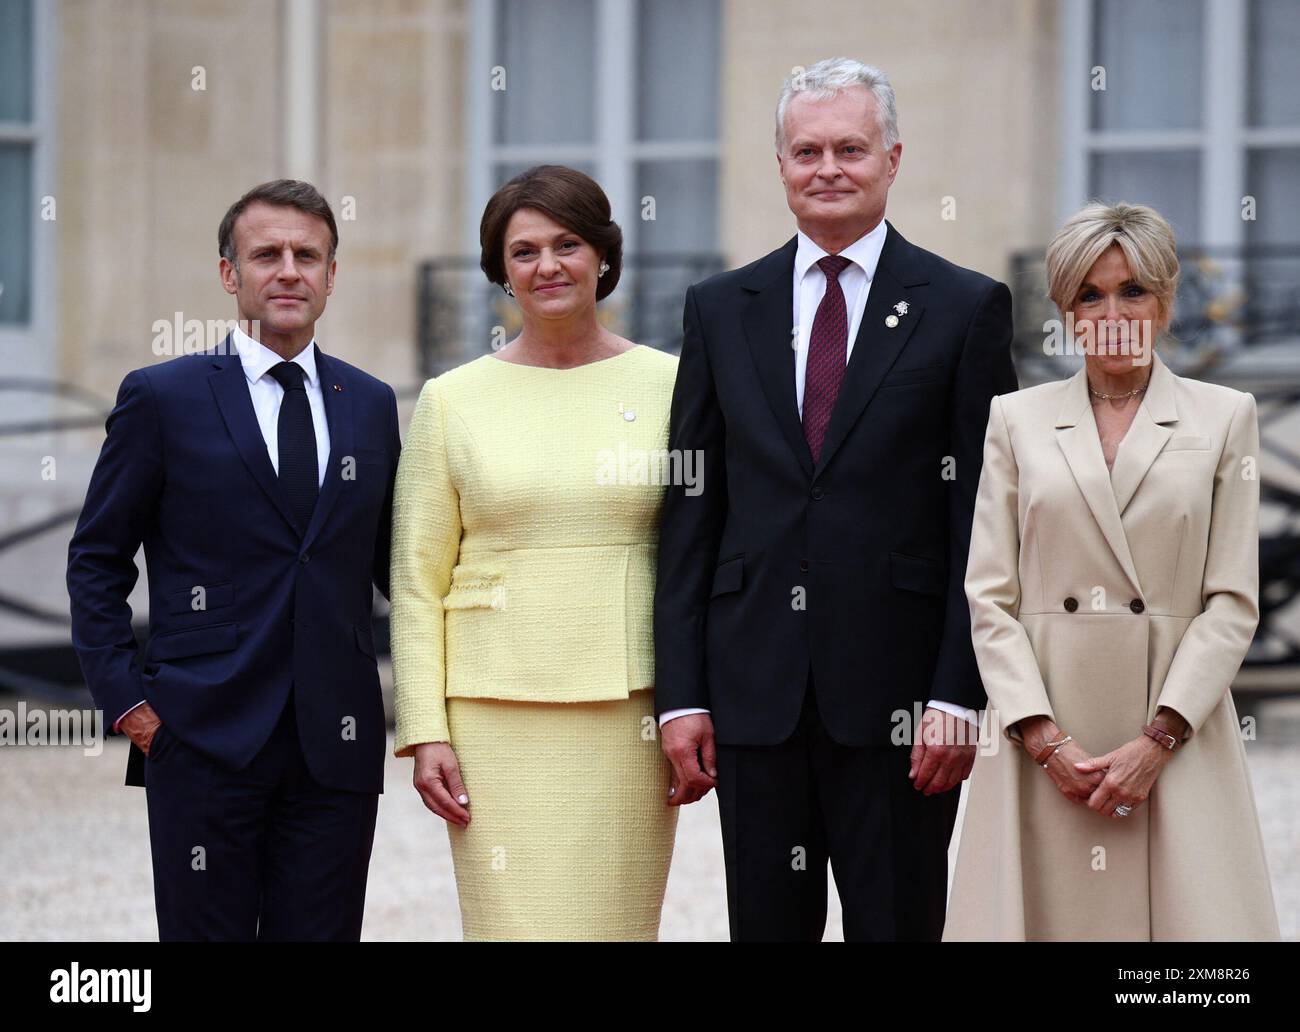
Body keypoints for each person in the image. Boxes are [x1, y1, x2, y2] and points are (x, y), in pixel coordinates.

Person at [653, 57, 1017, 941]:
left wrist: (958, 695)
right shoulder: (718, 308)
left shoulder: (965, 308)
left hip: (901, 703)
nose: (828, 168)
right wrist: (681, 695)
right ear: (778, 164)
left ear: (892, 158)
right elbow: (690, 510)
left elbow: (986, 516)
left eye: (849, 148)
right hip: (754, 697)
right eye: (806, 150)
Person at [66, 180, 400, 941]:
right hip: (200, 738)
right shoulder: (162, 397)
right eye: (267, 254)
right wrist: (128, 705)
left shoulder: (369, 402)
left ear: (330, 275)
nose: (289, 270)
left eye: (307, 255)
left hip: (336, 745)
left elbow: (395, 565)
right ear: (230, 275)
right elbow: (97, 561)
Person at [945, 201, 1280, 941]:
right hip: (1046, 730)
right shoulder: (1016, 419)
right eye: (1088, 295)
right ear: (1064, 310)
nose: (1113, 311)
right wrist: (1044, 740)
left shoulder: (1226, 416)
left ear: (1165, 298)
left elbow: (1231, 601)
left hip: (1174, 733)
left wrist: (1158, 738)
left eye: (1133, 290)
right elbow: (989, 596)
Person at [390, 165, 680, 940]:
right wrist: (425, 729)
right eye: (524, 252)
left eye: (568, 243)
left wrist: (696, 704)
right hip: (491, 715)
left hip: (629, 713)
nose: (548, 265)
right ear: (501, 271)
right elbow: (416, 580)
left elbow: (697, 557)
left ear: (602, 257)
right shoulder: (450, 400)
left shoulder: (672, 386)